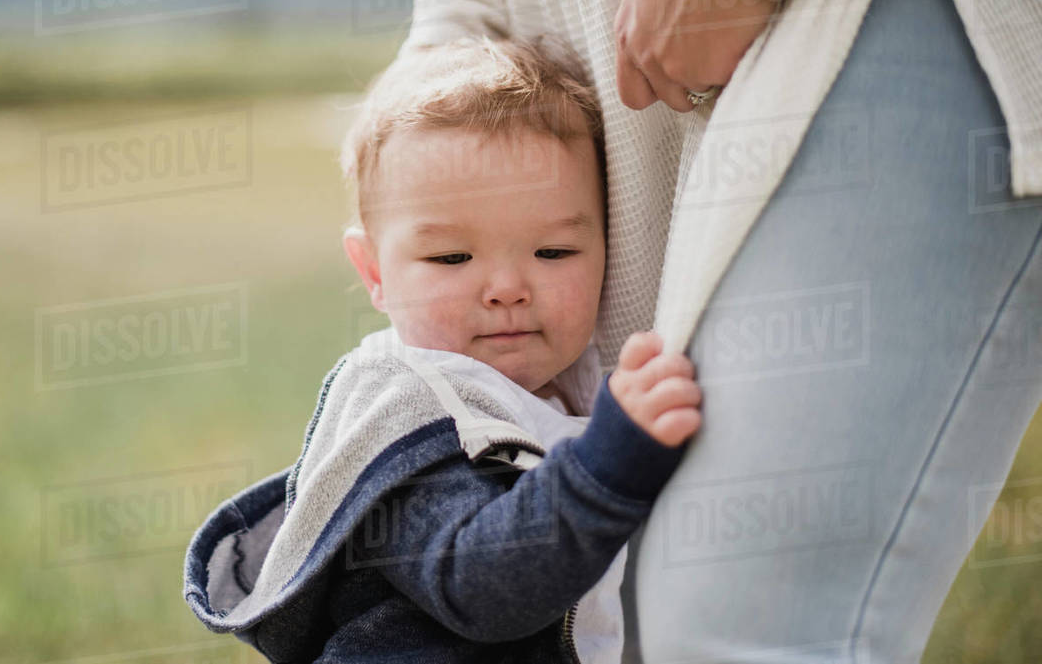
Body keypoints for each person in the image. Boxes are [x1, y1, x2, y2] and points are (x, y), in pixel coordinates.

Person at [402, 0, 1042, 661]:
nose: (500, 290)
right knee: (627, 627)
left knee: (735, 623)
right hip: (630, 142)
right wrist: (404, 209)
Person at [183, 36, 703, 662]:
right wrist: (607, 465)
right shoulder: (405, 419)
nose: (507, 288)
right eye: (452, 257)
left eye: (553, 252)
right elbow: (481, 588)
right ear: (374, 272)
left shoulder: (566, 386)